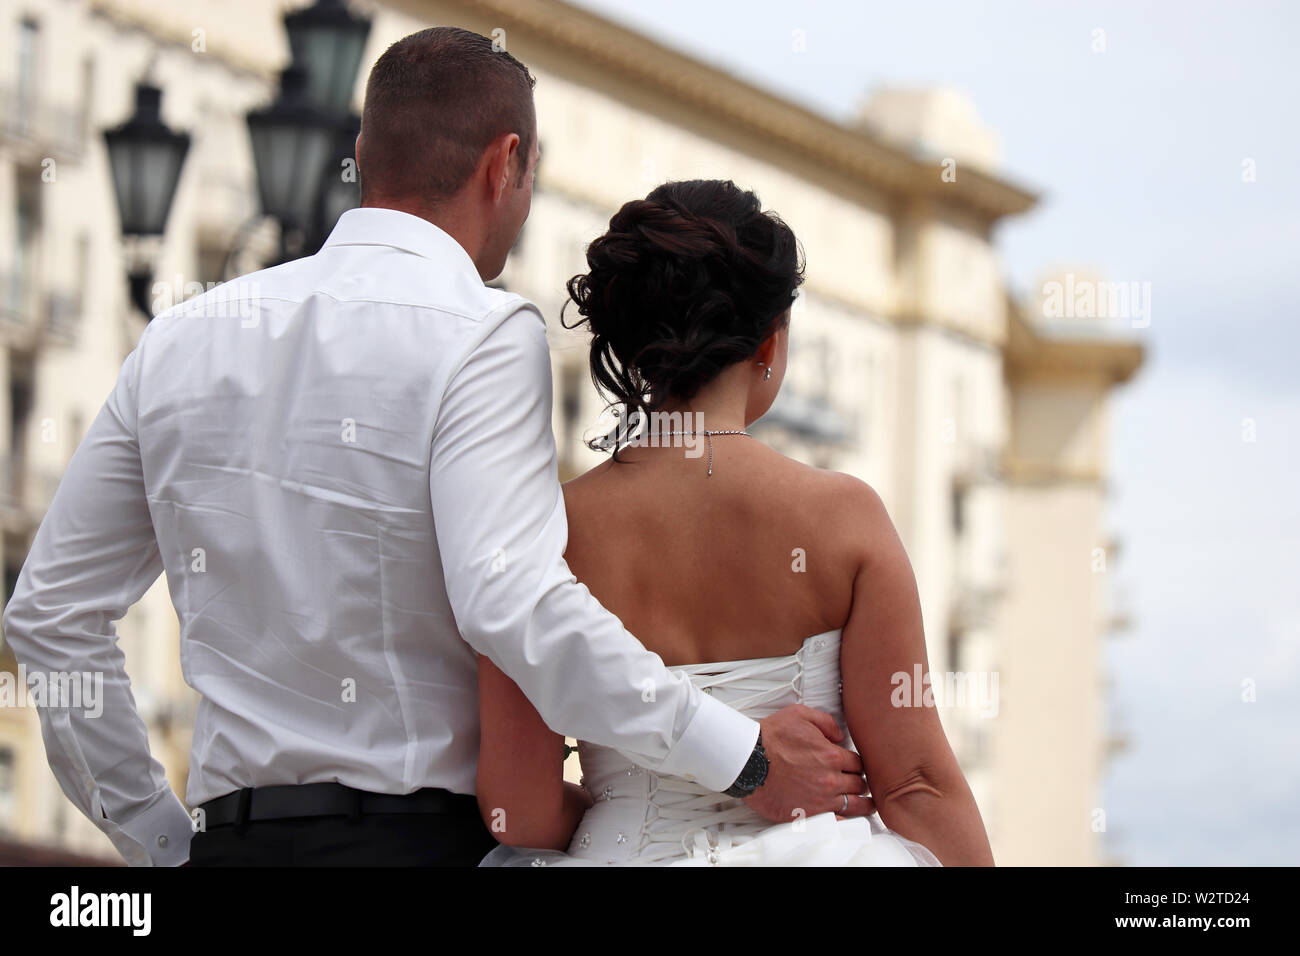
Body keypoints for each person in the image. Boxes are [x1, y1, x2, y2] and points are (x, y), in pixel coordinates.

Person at [0, 28, 868, 867]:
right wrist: (744, 758)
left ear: (363, 153)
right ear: (505, 165)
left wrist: (158, 838)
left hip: (232, 842)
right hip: (418, 846)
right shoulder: (485, 334)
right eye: (531, 178)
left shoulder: (181, 336)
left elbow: (50, 615)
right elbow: (516, 604)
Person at [475, 180, 995, 866]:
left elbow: (521, 805)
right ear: (770, 345)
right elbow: (919, 784)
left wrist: (624, 810)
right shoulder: (842, 518)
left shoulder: (546, 529)